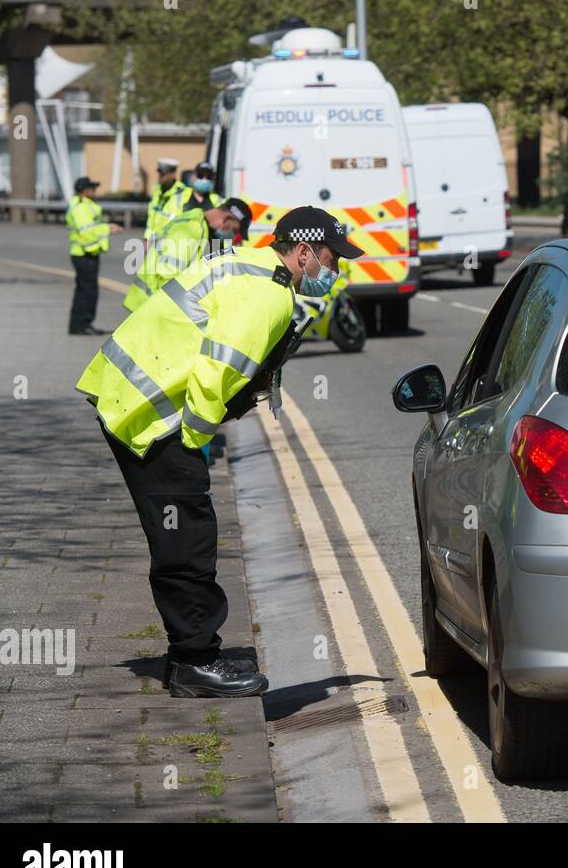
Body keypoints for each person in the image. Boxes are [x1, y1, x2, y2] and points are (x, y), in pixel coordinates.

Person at [76, 207, 364, 698]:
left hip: (129, 397)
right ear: (302, 251)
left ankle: (191, 650)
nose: (333, 272)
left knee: (183, 533)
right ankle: (194, 663)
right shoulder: (267, 297)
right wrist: (196, 445)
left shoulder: (248, 264)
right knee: (187, 538)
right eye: (331, 260)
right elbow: (214, 375)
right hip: (153, 418)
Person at [123, 197, 252, 311]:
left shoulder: (198, 223)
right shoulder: (192, 228)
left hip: (150, 304)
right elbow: (168, 275)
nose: (234, 236)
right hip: (152, 307)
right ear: (227, 219)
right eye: (235, 230)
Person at [65, 176, 122, 336]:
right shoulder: (81, 208)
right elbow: (86, 233)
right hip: (85, 254)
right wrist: (107, 229)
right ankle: (83, 325)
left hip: (85, 253)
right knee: (88, 292)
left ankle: (78, 325)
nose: (94, 191)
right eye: (92, 188)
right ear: (84, 191)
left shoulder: (83, 206)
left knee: (83, 290)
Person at [145, 158, 187, 242]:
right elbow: (152, 217)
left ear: (173, 174)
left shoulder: (184, 192)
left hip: (174, 243)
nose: (160, 176)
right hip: (155, 242)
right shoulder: (157, 190)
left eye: (163, 174)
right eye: (159, 173)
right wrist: (146, 238)